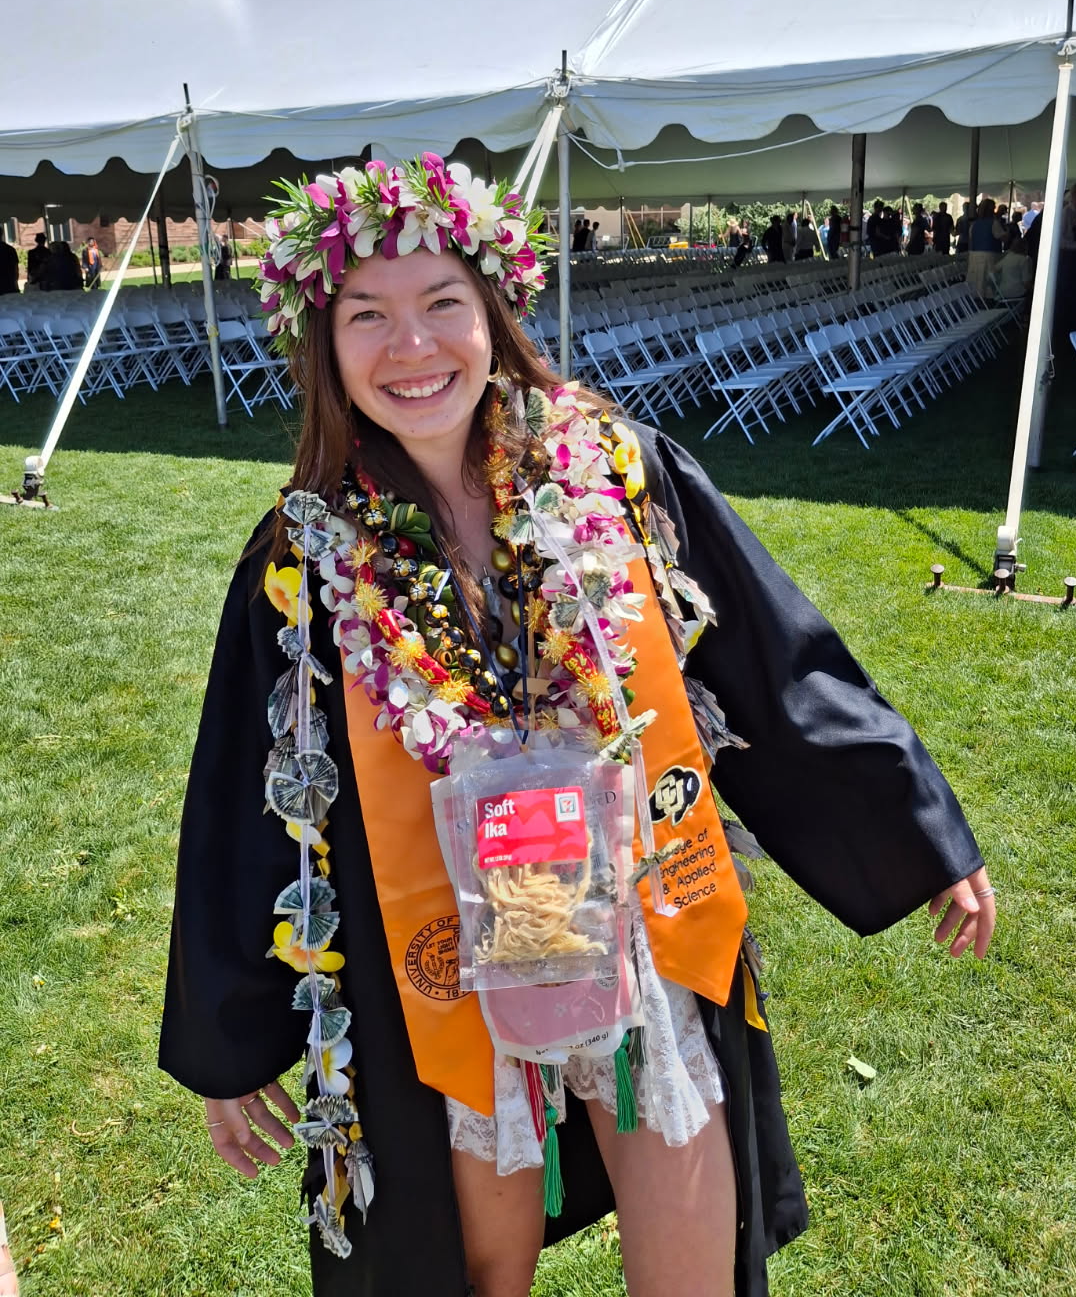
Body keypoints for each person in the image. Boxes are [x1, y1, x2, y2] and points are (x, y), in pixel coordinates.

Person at [160, 153, 995, 1297]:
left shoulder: (614, 472)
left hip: (637, 924)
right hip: (436, 965)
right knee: (473, 1270)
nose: (413, 346)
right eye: (368, 316)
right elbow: (248, 797)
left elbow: (765, 654)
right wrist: (230, 1032)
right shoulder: (305, 559)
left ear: (494, 311)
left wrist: (916, 824)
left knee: (692, 1253)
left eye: (442, 302)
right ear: (325, 344)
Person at [966, 199, 1003, 298]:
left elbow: (971, 240)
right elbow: (1001, 236)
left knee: (977, 279)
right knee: (987, 280)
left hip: (974, 255)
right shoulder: (994, 223)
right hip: (989, 255)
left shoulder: (974, 224)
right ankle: (987, 297)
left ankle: (976, 297)